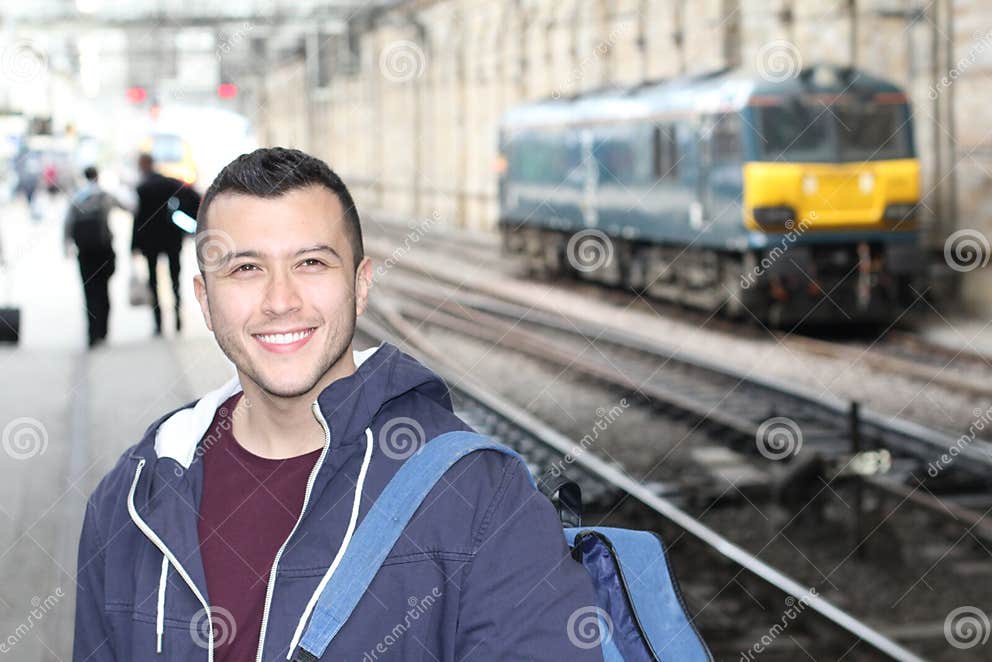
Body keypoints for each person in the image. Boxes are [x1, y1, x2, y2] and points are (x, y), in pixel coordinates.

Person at [73, 147, 603, 661]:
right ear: (205, 300)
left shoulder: (483, 499)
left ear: (361, 285)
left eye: (310, 262)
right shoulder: (133, 499)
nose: (281, 301)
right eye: (246, 270)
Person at [131, 152, 201, 336]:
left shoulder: (142, 188)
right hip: (172, 237)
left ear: (143, 165)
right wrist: (189, 223)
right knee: (175, 279)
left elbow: (137, 218)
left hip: (150, 240)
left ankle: (158, 323)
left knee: (153, 281)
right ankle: (178, 318)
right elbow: (194, 197)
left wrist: (134, 244)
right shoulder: (171, 183)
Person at [63, 165, 125, 348]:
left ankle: (92, 333)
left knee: (89, 291)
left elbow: (67, 223)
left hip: (85, 252)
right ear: (97, 176)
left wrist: (66, 246)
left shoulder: (77, 197)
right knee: (104, 289)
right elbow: (129, 206)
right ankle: (103, 330)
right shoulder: (104, 195)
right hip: (104, 249)